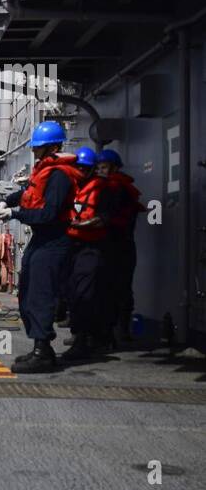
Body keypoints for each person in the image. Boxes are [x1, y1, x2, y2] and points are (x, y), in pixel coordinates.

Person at [0, 121, 83, 373]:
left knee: (41, 295)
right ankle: (40, 349)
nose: (34, 153)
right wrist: (8, 201)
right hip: (41, 240)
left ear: (52, 148)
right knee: (28, 292)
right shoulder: (46, 172)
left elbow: (49, 214)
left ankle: (43, 352)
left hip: (54, 240)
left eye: (38, 148)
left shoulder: (60, 176)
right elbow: (28, 193)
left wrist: (14, 214)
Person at [60, 147, 112, 361]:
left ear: (92, 170)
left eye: (84, 168)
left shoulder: (103, 190)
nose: (80, 171)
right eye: (77, 167)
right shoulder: (74, 188)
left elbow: (103, 218)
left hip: (92, 249)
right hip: (74, 247)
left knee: (85, 294)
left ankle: (84, 340)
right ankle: (85, 336)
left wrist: (78, 224)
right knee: (73, 292)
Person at [95, 148, 143, 344]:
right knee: (119, 288)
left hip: (116, 245)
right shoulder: (122, 188)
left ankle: (115, 332)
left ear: (114, 168)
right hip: (121, 244)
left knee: (115, 289)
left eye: (104, 167)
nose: (100, 171)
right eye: (98, 167)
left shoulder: (115, 189)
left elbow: (108, 216)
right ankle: (117, 331)